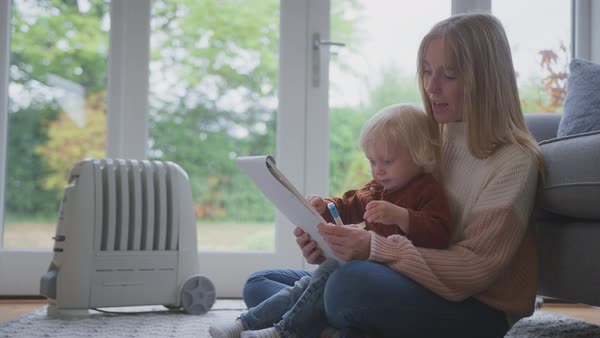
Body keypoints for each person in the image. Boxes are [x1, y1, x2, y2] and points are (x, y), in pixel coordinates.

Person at [241, 12, 544, 338]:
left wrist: (375, 249)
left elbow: (473, 270)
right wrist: (328, 240)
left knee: (345, 287)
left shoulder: (514, 160)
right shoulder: (432, 139)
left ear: (486, 79)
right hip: (412, 285)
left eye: (449, 75)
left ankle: (322, 323)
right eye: (427, 71)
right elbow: (377, 196)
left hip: (478, 310)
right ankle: (333, 326)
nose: (431, 86)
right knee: (259, 284)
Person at [209, 104, 453, 338]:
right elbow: (347, 206)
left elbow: (440, 234)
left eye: (387, 161)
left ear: (419, 155)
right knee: (267, 284)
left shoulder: (427, 190)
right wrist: (323, 208)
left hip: (389, 280)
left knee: (322, 277)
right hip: (356, 271)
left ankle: (286, 330)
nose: (378, 170)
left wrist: (403, 216)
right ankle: (246, 323)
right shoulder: (376, 188)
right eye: (372, 161)